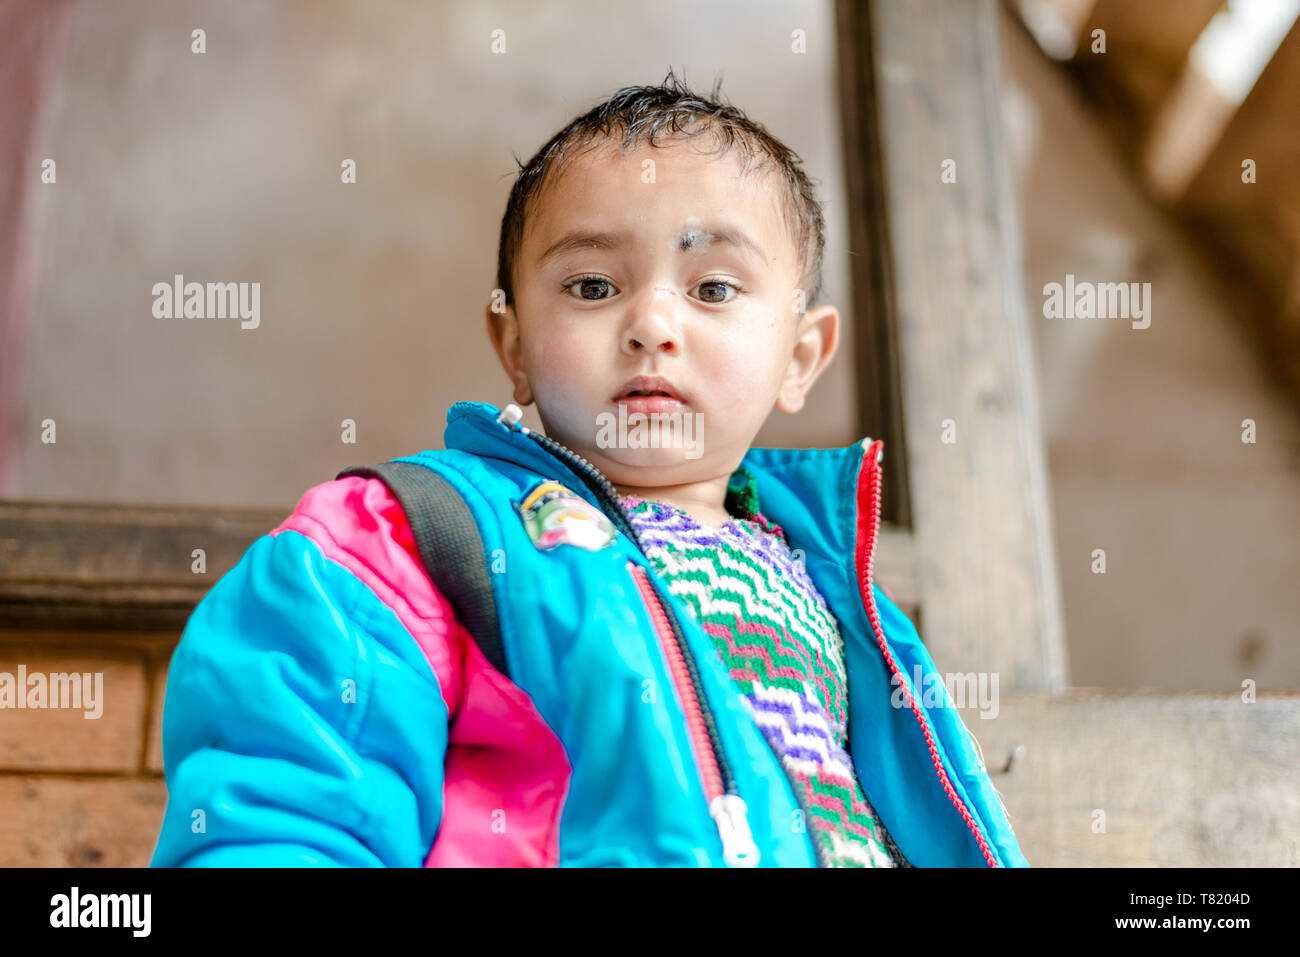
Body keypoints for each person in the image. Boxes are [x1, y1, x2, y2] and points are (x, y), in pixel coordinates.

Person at [150, 70, 1027, 868]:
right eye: (593, 287)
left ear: (801, 355)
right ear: (514, 346)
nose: (652, 323)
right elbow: (285, 815)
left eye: (713, 288)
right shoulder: (409, 543)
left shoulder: (841, 598)